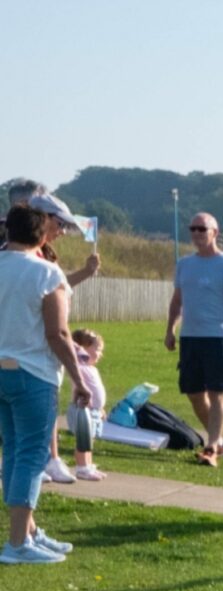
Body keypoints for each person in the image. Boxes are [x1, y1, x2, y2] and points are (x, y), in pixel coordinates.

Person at [1, 202, 89, 564]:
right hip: (32, 372)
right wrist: (79, 378)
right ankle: (17, 543)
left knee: (12, 452)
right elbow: (59, 333)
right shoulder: (48, 273)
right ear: (41, 235)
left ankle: (30, 531)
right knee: (32, 456)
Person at [163, 213, 223, 467]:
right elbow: (177, 301)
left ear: (215, 232)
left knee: (217, 393)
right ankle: (219, 440)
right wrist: (170, 329)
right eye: (192, 229)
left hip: (219, 338)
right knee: (193, 392)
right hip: (190, 338)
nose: (196, 233)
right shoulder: (184, 264)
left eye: (202, 229)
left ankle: (211, 447)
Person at [62, 327, 108, 481]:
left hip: (94, 411)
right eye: (97, 349)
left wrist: (100, 408)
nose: (100, 354)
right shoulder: (79, 367)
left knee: (89, 440)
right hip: (82, 410)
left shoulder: (91, 368)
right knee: (83, 439)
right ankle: (82, 467)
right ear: (84, 348)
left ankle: (88, 464)